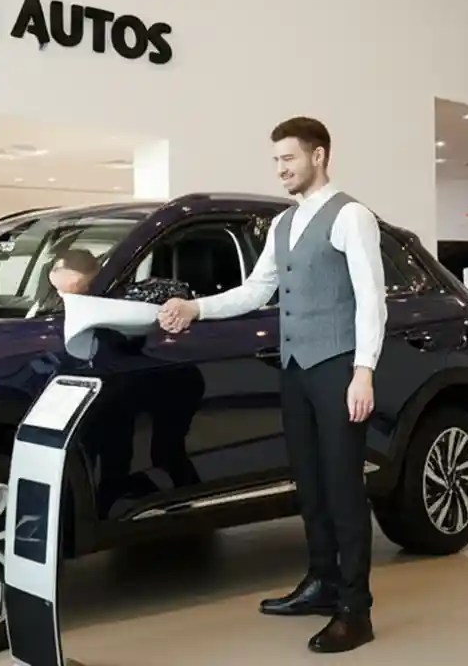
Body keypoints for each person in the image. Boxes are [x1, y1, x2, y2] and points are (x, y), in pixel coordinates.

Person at [158, 117, 386, 654]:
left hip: (337, 368)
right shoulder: (283, 224)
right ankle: (321, 583)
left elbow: (371, 299)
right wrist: (195, 308)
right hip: (295, 369)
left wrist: (364, 370)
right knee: (308, 483)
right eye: (276, 161)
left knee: (343, 490)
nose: (281, 169)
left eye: (289, 159)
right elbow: (257, 289)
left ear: (319, 156)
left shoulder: (351, 216)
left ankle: (356, 610)